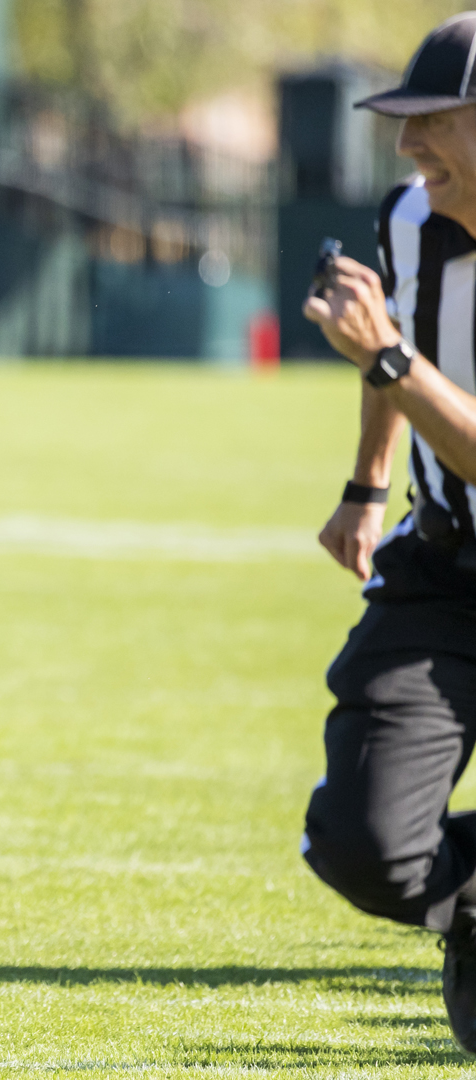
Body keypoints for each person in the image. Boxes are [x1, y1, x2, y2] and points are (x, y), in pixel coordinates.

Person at [302, 12, 476, 1055]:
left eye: (436, 124)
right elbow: (395, 339)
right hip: (445, 568)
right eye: (402, 125)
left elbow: (394, 360)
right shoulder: (408, 217)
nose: (409, 147)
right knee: (362, 846)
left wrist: (388, 363)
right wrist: (368, 486)